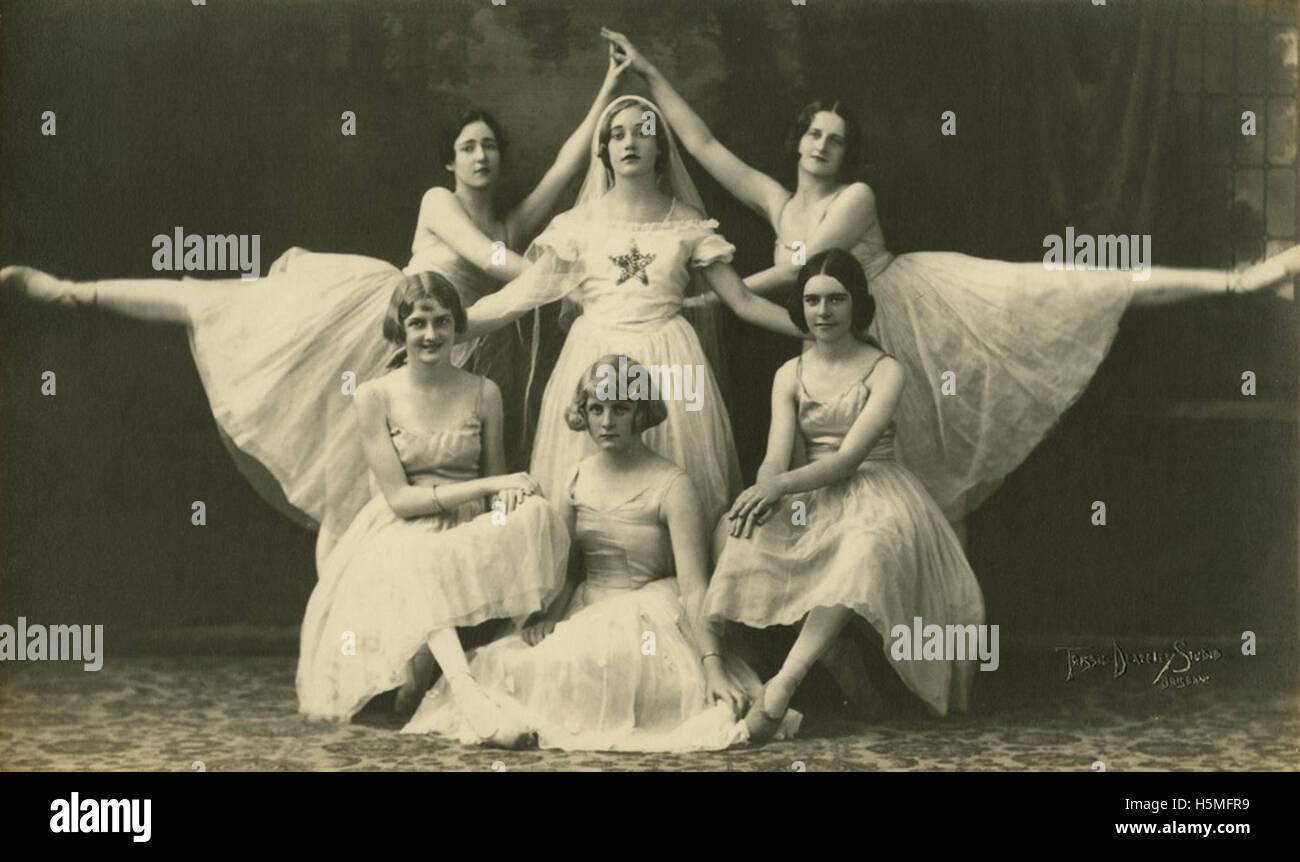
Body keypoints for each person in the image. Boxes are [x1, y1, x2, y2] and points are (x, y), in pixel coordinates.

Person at [602, 28, 1300, 524]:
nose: (821, 146)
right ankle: (925, 649)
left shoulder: (857, 198)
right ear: (799, 141)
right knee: (908, 478)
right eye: (813, 135)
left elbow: (802, 267)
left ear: (848, 154)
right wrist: (648, 75)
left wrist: (711, 291)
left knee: (1079, 285)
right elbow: (701, 144)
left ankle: (1240, 282)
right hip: (850, 338)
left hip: (922, 308)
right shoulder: (776, 200)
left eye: (835, 140)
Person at [0, 51, 631, 564]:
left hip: (446, 353)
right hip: (373, 326)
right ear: (451, 159)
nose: (482, 156)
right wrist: (569, 282)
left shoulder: (510, 224)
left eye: (490, 146)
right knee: (211, 301)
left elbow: (564, 164)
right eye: (469, 146)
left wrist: (608, 85)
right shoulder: (439, 201)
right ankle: (70, 290)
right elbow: (495, 266)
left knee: (383, 492)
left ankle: (391, 636)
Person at [402, 356, 798, 751]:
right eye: (597, 409)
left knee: (599, 666)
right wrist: (552, 616)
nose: (607, 422)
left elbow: (695, 587)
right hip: (585, 605)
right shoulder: (579, 476)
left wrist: (712, 664)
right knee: (504, 661)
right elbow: (570, 568)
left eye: (620, 408)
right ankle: (504, 725)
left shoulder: (673, 485)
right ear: (584, 415)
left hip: (647, 614)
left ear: (640, 413)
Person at [460, 95, 807, 525]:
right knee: (584, 497)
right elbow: (519, 296)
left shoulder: (687, 222)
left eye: (643, 131)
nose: (630, 142)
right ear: (602, 149)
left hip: (673, 362)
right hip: (594, 359)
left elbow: (744, 301)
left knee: (681, 490)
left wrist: (814, 332)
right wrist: (459, 326)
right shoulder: (578, 224)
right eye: (617, 134)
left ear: (661, 147)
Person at [707, 251, 987, 743]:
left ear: (857, 304)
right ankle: (828, 652)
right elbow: (778, 456)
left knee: (865, 547)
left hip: (877, 487)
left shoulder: (885, 371)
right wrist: (765, 485)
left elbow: (849, 458)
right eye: (812, 300)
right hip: (806, 489)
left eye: (836, 299)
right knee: (739, 533)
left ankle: (783, 686)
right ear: (800, 307)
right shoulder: (788, 374)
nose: (824, 311)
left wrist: (780, 484)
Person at [296, 274, 569, 745]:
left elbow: (491, 492)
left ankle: (490, 672)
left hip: (467, 524)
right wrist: (493, 484)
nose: (431, 335)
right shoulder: (374, 396)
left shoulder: (484, 392)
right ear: (399, 328)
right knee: (415, 563)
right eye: (418, 322)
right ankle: (468, 698)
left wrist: (506, 499)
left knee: (539, 515)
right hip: (402, 527)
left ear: (457, 326)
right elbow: (400, 500)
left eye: (443, 322)